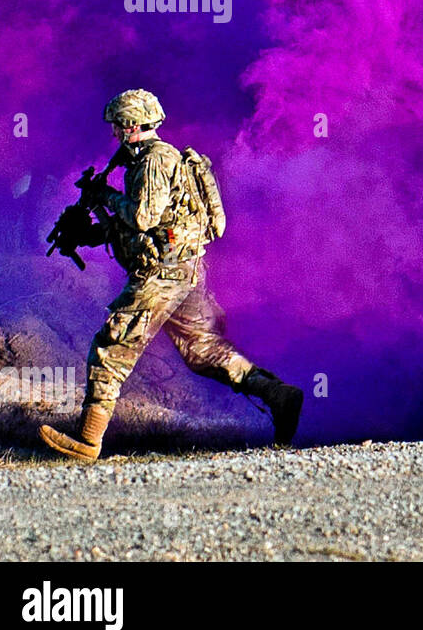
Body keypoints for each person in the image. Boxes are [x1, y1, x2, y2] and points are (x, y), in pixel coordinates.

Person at [39, 89, 303, 461]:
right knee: (203, 351)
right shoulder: (152, 161)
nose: (114, 133)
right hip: (184, 271)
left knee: (111, 348)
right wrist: (93, 232)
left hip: (163, 275)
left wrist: (106, 197)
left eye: (117, 126)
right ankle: (279, 395)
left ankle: (88, 441)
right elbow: (148, 227)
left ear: (131, 125)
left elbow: (143, 217)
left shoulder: (154, 161)